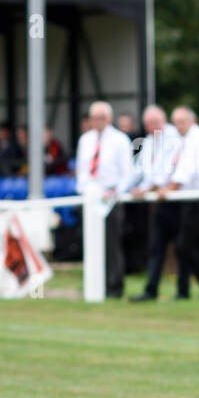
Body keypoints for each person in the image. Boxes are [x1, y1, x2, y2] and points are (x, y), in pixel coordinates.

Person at [74, 100, 136, 297]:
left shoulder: (120, 140)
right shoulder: (85, 140)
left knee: (111, 243)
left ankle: (114, 287)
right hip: (89, 197)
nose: (98, 121)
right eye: (94, 118)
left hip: (110, 197)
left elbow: (127, 172)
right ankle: (93, 283)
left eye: (101, 117)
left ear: (109, 119)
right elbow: (82, 170)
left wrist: (115, 192)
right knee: (89, 242)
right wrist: (84, 190)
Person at [162, 106, 199, 298]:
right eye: (175, 122)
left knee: (185, 245)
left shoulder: (198, 138)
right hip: (191, 199)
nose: (178, 126)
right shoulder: (184, 140)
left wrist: (169, 189)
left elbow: (186, 171)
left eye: (181, 121)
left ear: (191, 121)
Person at [128, 105, 183, 301]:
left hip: (176, 200)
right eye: (147, 124)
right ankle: (151, 290)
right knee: (156, 247)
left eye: (154, 122)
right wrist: (129, 189)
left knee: (182, 247)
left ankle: (183, 291)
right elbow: (140, 171)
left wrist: (149, 187)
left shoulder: (175, 138)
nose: (151, 127)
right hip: (160, 201)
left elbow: (168, 170)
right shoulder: (149, 142)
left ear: (163, 121)